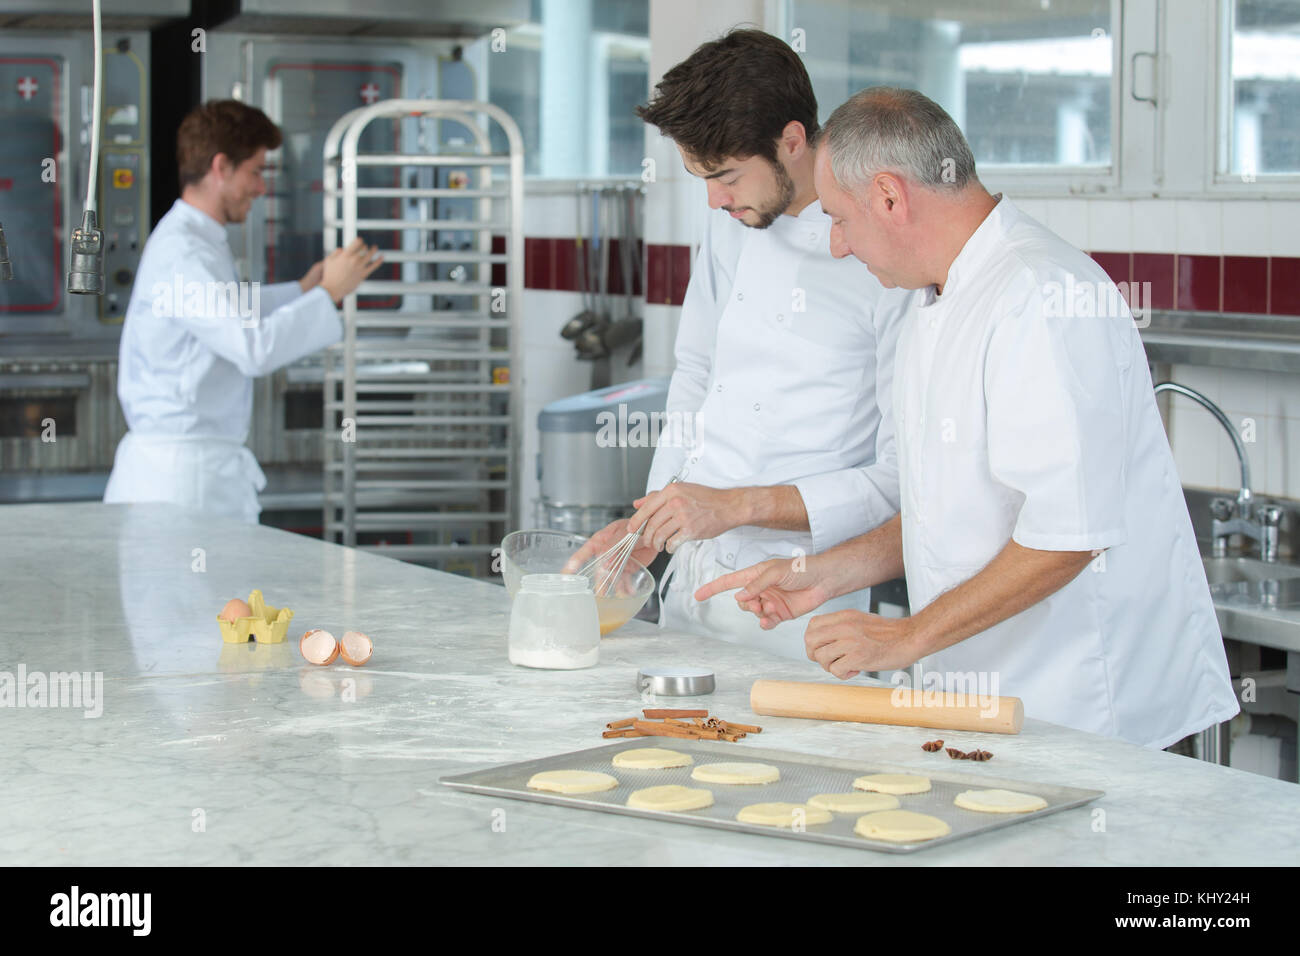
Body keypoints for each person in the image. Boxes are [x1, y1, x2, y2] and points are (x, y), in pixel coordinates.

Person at [698, 87, 1239, 749]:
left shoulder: (1042, 296)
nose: (837, 246)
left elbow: (1067, 536)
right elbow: (947, 506)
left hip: (1091, 714)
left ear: (891, 197)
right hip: (986, 707)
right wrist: (821, 574)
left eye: (840, 218)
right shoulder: (939, 294)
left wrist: (906, 636)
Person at [568, 30, 904, 660]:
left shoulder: (885, 258)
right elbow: (696, 370)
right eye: (701, 177)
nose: (714, 198)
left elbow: (896, 481)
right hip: (692, 581)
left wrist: (735, 507)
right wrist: (655, 523)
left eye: (724, 175)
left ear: (793, 140)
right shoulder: (734, 219)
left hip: (798, 600)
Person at [104, 100, 381, 523]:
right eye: (255, 171)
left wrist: (305, 288)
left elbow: (230, 311)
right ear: (221, 167)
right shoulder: (184, 253)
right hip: (182, 484)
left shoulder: (198, 241)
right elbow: (252, 347)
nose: (261, 188)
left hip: (193, 474)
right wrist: (327, 294)